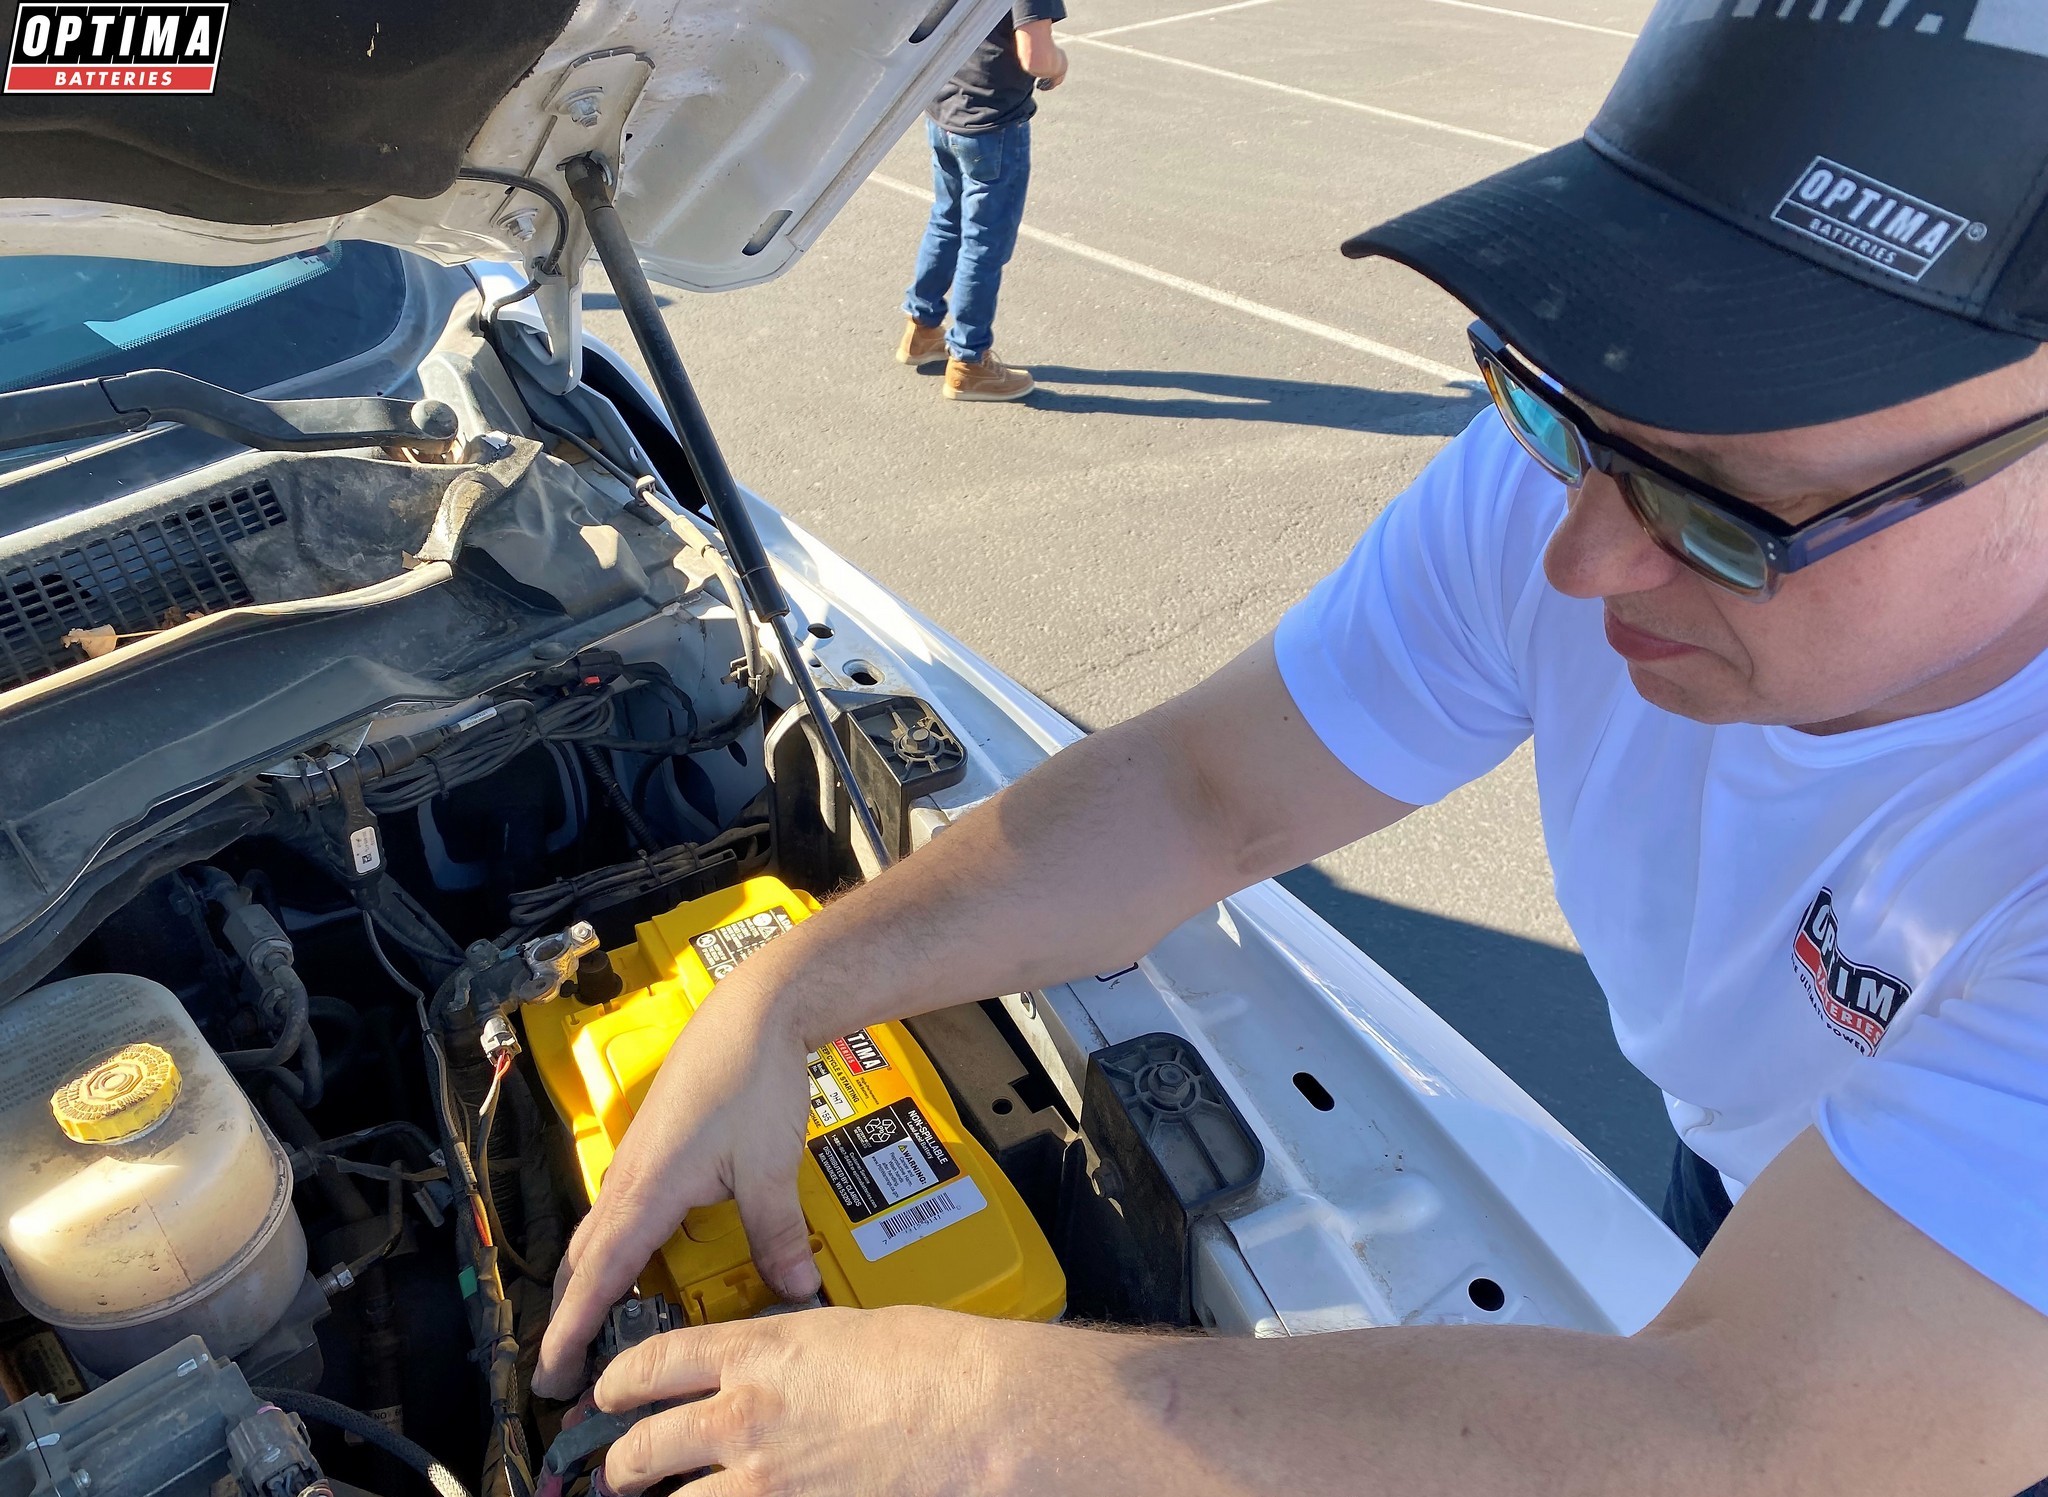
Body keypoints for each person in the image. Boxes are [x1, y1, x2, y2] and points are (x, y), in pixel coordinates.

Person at [535, 8, 2048, 1494]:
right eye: (1567, 405)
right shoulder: (1581, 491)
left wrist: (1002, 1419)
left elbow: (1761, 1437)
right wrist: (794, 990)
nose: (1580, 562)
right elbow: (1205, 791)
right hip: (1746, 1154)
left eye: (1724, 501)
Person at [894, 0, 1067, 403]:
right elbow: (1037, 56)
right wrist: (1060, 64)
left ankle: (921, 328)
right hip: (992, 123)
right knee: (984, 245)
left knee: (946, 220)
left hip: (944, 108)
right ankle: (969, 362)